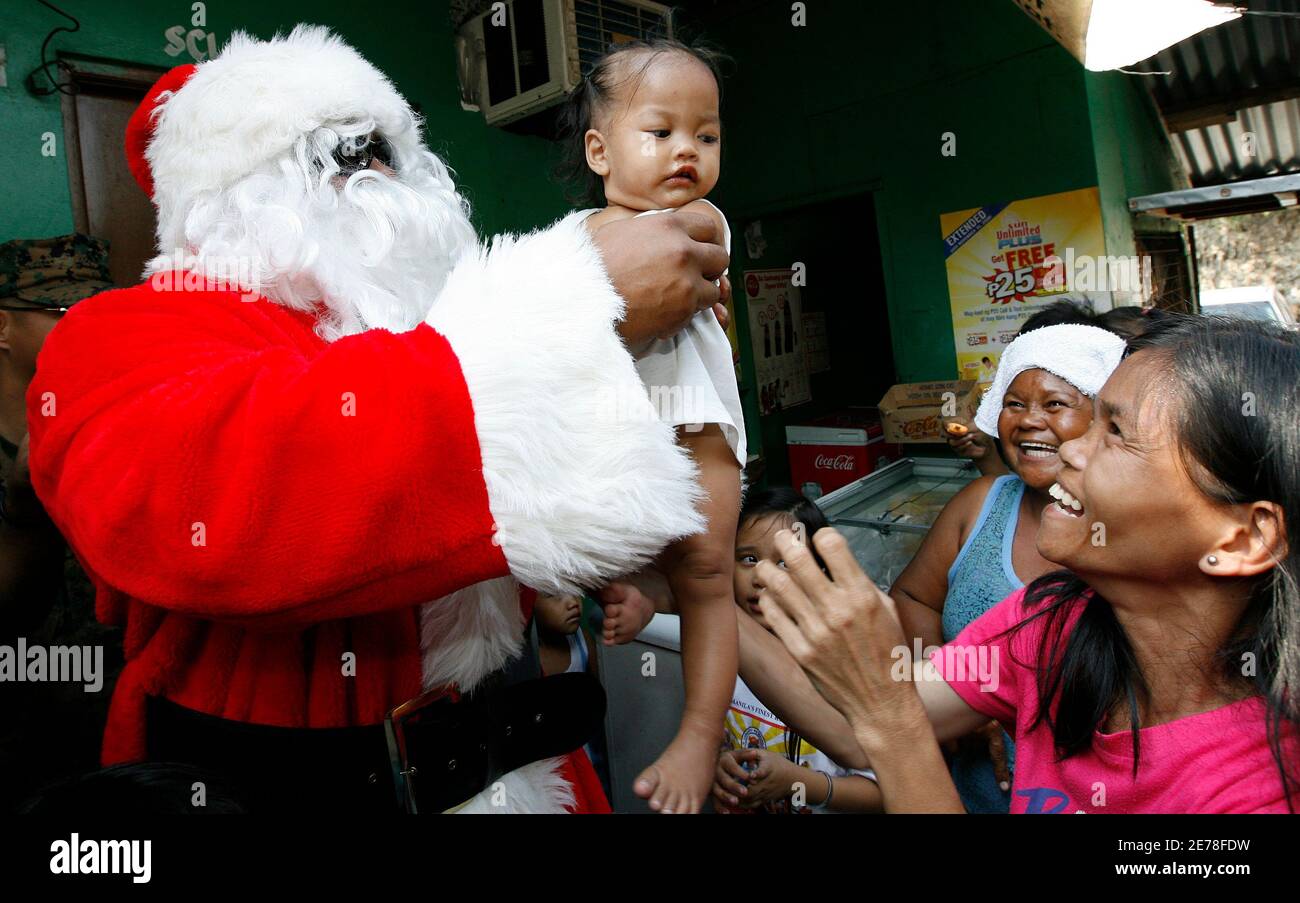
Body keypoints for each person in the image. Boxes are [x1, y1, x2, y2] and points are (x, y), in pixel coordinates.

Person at [25, 26, 730, 814]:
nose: (380, 177)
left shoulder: (439, 321)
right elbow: (209, 506)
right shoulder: (112, 335)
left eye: (389, 151)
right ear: (235, 195)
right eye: (339, 156)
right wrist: (572, 299)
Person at [759, 314, 1300, 813]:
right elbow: (856, 727)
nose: (1069, 450)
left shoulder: (1258, 791)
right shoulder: (1052, 625)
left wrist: (893, 724)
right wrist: (709, 589)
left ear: (1243, 540)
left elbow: (887, 717)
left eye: (1114, 432)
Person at [742, 324, 1127, 812]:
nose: (1030, 421)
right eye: (1014, 404)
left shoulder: (1124, 582)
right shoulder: (1022, 604)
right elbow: (869, 723)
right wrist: (960, 699)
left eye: (1055, 404)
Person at [558, 37, 743, 814]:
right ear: (600, 150)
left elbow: (676, 241)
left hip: (696, 433)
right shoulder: (571, 240)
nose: (686, 152)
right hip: (614, 445)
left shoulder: (701, 221)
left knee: (708, 578)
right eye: (661, 132)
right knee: (588, 565)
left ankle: (700, 733)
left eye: (706, 135)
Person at [0, 235, 122, 812]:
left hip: (112, 725)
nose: (87, 325)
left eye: (99, 310)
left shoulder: (107, 427)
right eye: (64, 312)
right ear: (2, 328)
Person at [713, 488, 881, 814]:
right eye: (748, 559)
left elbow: (885, 793)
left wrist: (798, 783)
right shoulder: (723, 657)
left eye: (784, 562)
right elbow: (716, 739)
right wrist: (722, 768)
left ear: (819, 571)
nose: (762, 576)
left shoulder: (843, 667)